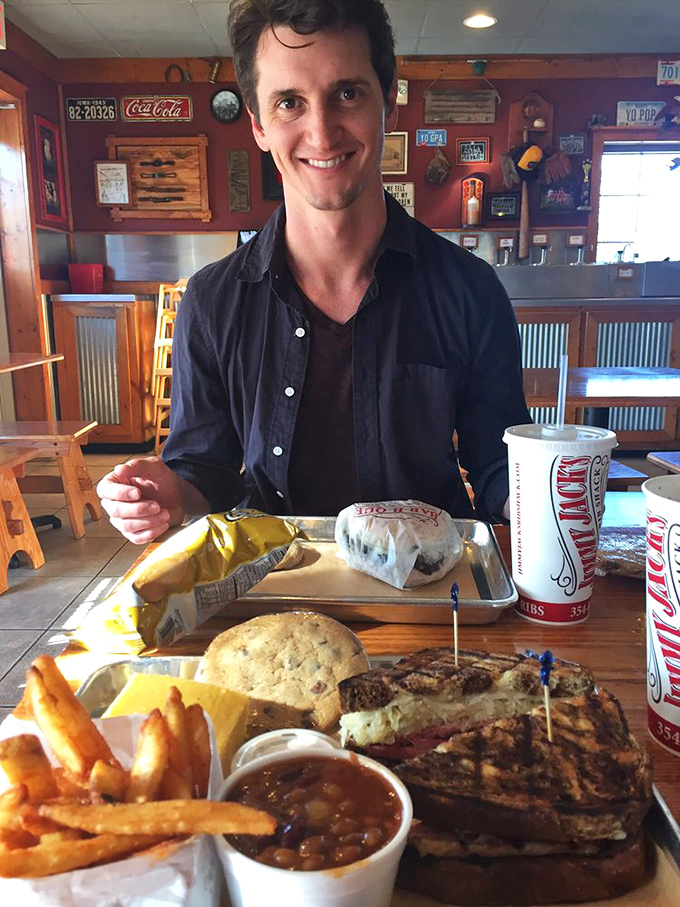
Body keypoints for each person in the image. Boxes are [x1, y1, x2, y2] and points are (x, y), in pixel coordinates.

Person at [97, 0, 531, 545]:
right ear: (257, 125)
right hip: (268, 586)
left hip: (430, 588)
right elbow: (202, 469)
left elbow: (496, 466)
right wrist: (166, 496)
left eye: (347, 93)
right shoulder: (212, 299)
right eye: (289, 103)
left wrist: (542, 493)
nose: (322, 132)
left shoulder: (470, 290)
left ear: (388, 106)